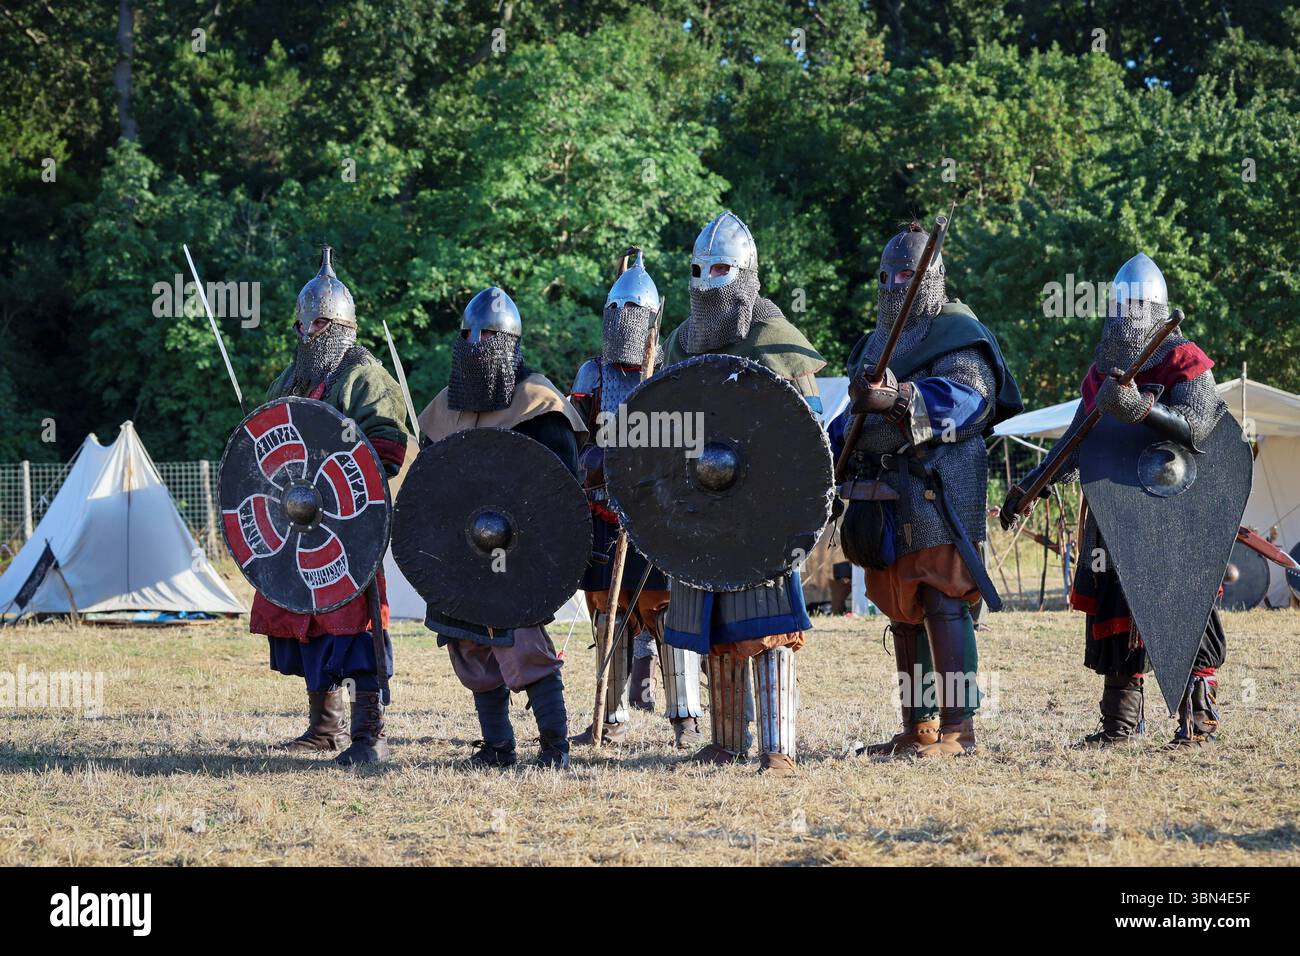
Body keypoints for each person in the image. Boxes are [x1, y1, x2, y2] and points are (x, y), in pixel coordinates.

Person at [1001, 253, 1229, 747]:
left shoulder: (1185, 361)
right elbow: (1076, 441)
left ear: (1155, 308)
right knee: (1114, 612)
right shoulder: (1100, 372)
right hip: (1116, 512)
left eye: (1136, 306)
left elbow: (1199, 429)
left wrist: (1142, 408)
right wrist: (1031, 486)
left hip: (1174, 512)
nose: (1126, 315)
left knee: (1184, 611)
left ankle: (1198, 721)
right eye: (1120, 306)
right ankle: (1120, 725)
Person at [830, 222, 1021, 759]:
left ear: (930, 277)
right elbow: (852, 418)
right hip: (883, 494)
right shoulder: (872, 344)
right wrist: (835, 438)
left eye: (906, 275)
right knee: (902, 608)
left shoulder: (957, 333)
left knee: (942, 598)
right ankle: (919, 726)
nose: (896, 285)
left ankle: (959, 729)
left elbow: (969, 402)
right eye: (887, 276)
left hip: (937, 485)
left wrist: (901, 397)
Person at [658, 211, 826, 776]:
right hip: (700, 503)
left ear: (746, 272)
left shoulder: (775, 339)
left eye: (721, 269)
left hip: (763, 509)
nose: (708, 281)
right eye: (700, 269)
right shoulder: (682, 343)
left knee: (768, 625)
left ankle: (778, 748)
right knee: (716, 625)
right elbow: (659, 423)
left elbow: (807, 432)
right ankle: (727, 741)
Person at [416, 287, 588, 768]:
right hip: (462, 550)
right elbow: (428, 486)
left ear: (511, 342)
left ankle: (554, 746)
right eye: (468, 335)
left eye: (489, 336)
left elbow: (561, 490)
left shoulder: (538, 404)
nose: (477, 344)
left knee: (523, 646)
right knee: (470, 646)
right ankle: (496, 746)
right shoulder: (445, 407)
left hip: (518, 553)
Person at [257, 245, 408, 765]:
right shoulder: (290, 378)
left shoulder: (365, 376)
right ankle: (323, 728)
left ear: (341, 326)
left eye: (319, 323)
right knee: (308, 618)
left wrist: (333, 470)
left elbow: (387, 450)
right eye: (302, 324)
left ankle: (369, 735)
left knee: (356, 627)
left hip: (348, 521)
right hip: (297, 522)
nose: (307, 332)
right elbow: (267, 444)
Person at [568, 250, 705, 749]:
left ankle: (685, 716)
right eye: (616, 310)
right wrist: (591, 458)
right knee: (609, 612)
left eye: (634, 311)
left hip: (659, 514)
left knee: (667, 613)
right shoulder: (592, 374)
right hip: (604, 512)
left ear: (651, 319)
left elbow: (691, 443)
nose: (624, 320)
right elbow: (573, 438)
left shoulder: (671, 372)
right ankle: (610, 716)